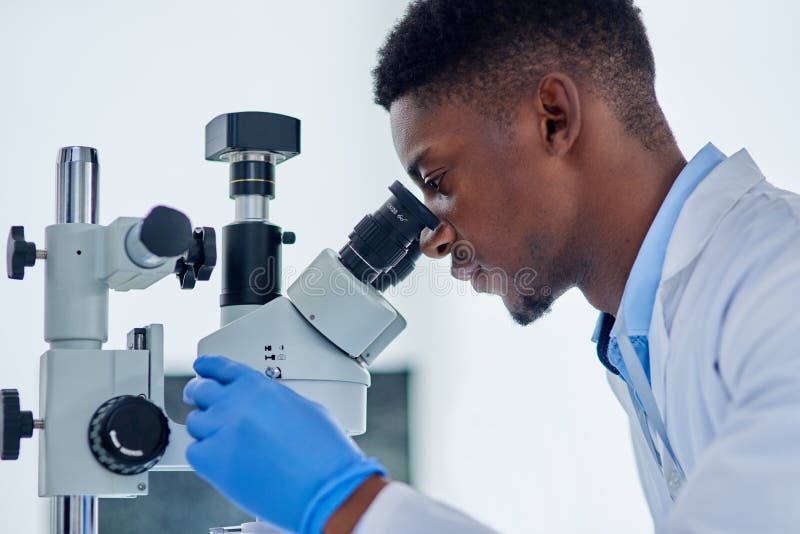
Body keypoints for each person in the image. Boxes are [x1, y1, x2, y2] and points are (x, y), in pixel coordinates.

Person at [181, 1, 800, 532]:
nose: (432, 238)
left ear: (553, 118)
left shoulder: (779, 282)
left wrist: (348, 505)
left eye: (439, 180)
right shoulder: (644, 337)